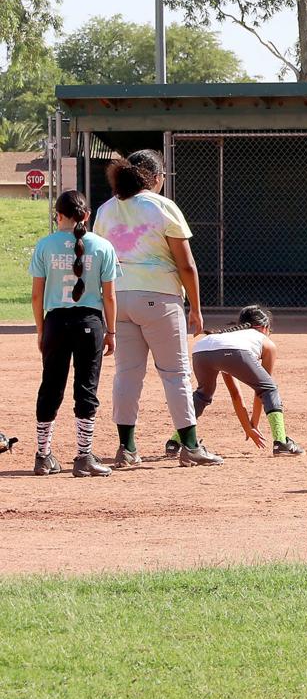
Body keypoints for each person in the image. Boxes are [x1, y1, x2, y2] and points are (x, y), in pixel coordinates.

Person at [93, 149, 224, 468]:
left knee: (126, 374)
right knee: (175, 373)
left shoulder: (107, 209)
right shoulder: (162, 206)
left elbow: (98, 258)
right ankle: (190, 446)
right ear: (155, 177)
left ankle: (126, 449)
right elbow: (187, 264)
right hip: (159, 296)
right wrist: (196, 307)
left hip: (118, 296)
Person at [29, 190, 120, 477]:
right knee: (86, 388)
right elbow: (110, 297)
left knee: (51, 386)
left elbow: (36, 296)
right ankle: (84, 457)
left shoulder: (45, 245)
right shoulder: (103, 246)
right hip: (89, 323)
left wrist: (41, 330)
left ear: (58, 215)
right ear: (87, 215)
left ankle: (43, 456)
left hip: (55, 322)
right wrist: (111, 331)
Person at [169, 305, 305, 457]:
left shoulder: (228, 337)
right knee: (270, 389)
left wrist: (249, 427)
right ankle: (281, 442)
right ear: (264, 328)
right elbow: (263, 390)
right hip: (234, 352)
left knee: (202, 395)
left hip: (201, 349)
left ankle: (174, 442)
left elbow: (235, 394)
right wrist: (253, 423)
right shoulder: (265, 342)